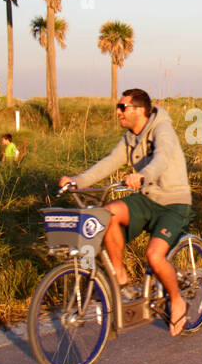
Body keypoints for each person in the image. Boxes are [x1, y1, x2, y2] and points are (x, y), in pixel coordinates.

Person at [59, 89, 193, 336]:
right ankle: (121, 280)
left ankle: (177, 300)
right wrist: (77, 181)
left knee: (154, 256)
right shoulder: (129, 137)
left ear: (139, 110)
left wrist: (143, 175)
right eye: (118, 107)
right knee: (107, 213)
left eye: (123, 107)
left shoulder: (163, 130)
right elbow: (109, 163)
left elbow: (162, 158)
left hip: (174, 202)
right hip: (147, 198)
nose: (118, 112)